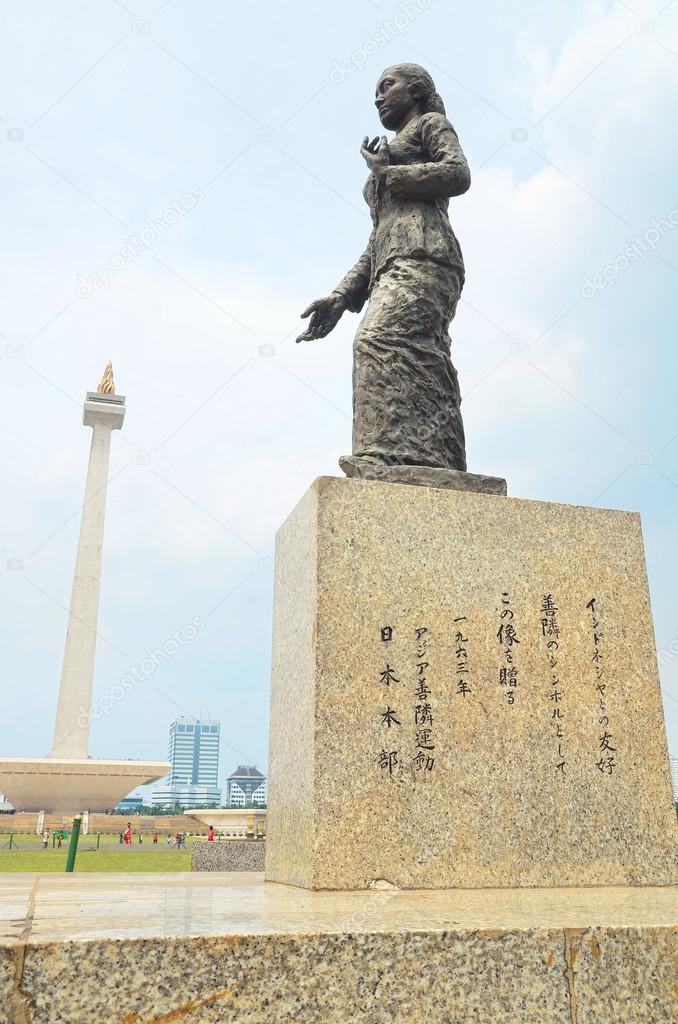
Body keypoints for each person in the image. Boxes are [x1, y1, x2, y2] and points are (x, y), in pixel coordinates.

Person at [297, 63, 471, 476]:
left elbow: (458, 173)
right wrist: (341, 296)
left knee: (378, 339)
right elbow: (378, 237)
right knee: (420, 354)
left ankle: (385, 455)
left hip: (428, 256)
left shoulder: (432, 124)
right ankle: (428, 458)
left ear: (415, 91)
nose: (378, 97)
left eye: (386, 87)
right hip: (393, 263)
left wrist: (389, 173)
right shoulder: (386, 156)